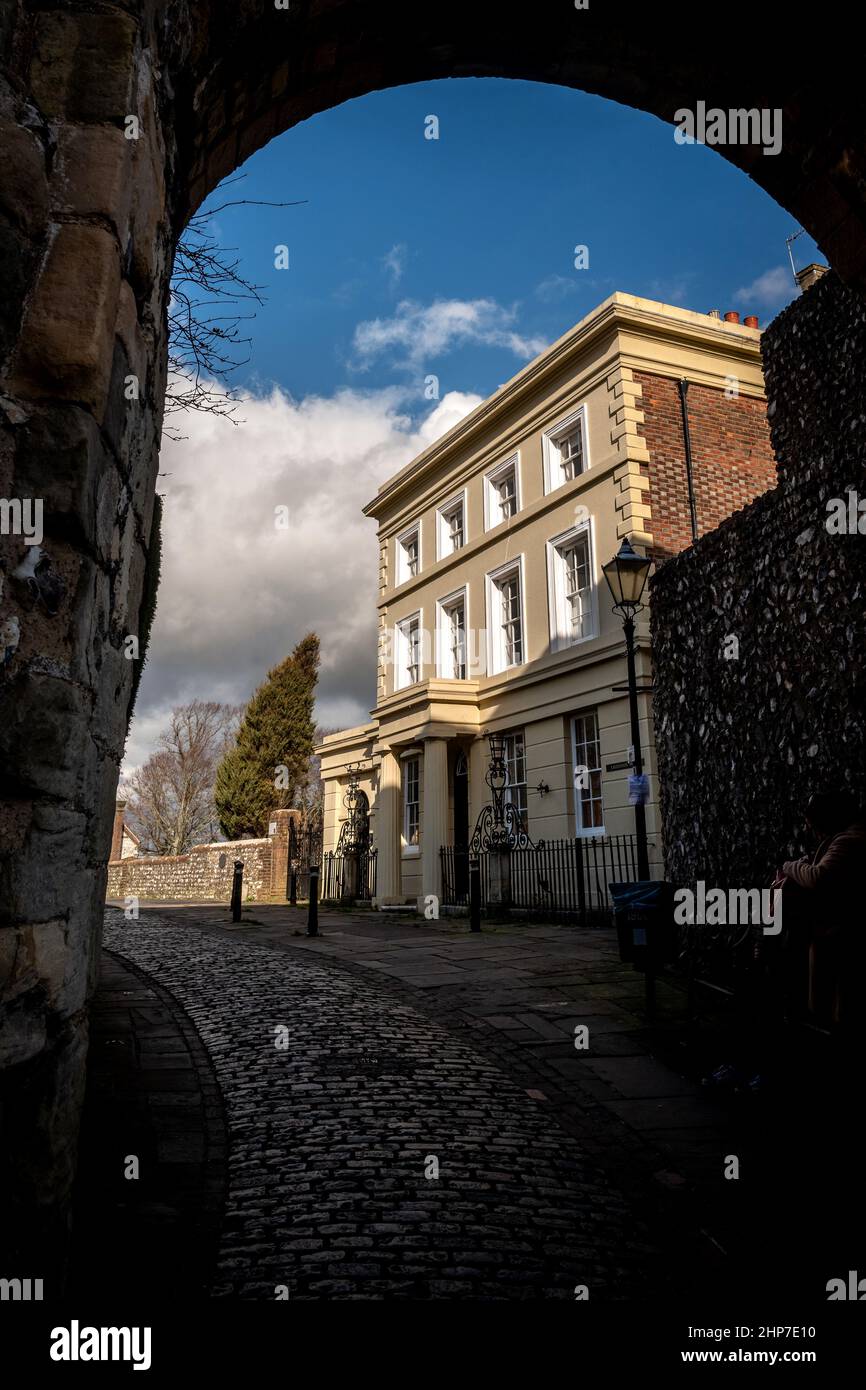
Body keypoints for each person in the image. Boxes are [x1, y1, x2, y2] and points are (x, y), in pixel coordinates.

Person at [780, 789, 866, 1034]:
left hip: (845, 936)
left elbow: (819, 876)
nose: (812, 831)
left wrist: (790, 866)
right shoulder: (847, 838)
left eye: (813, 825)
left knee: (842, 1007)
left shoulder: (848, 840)